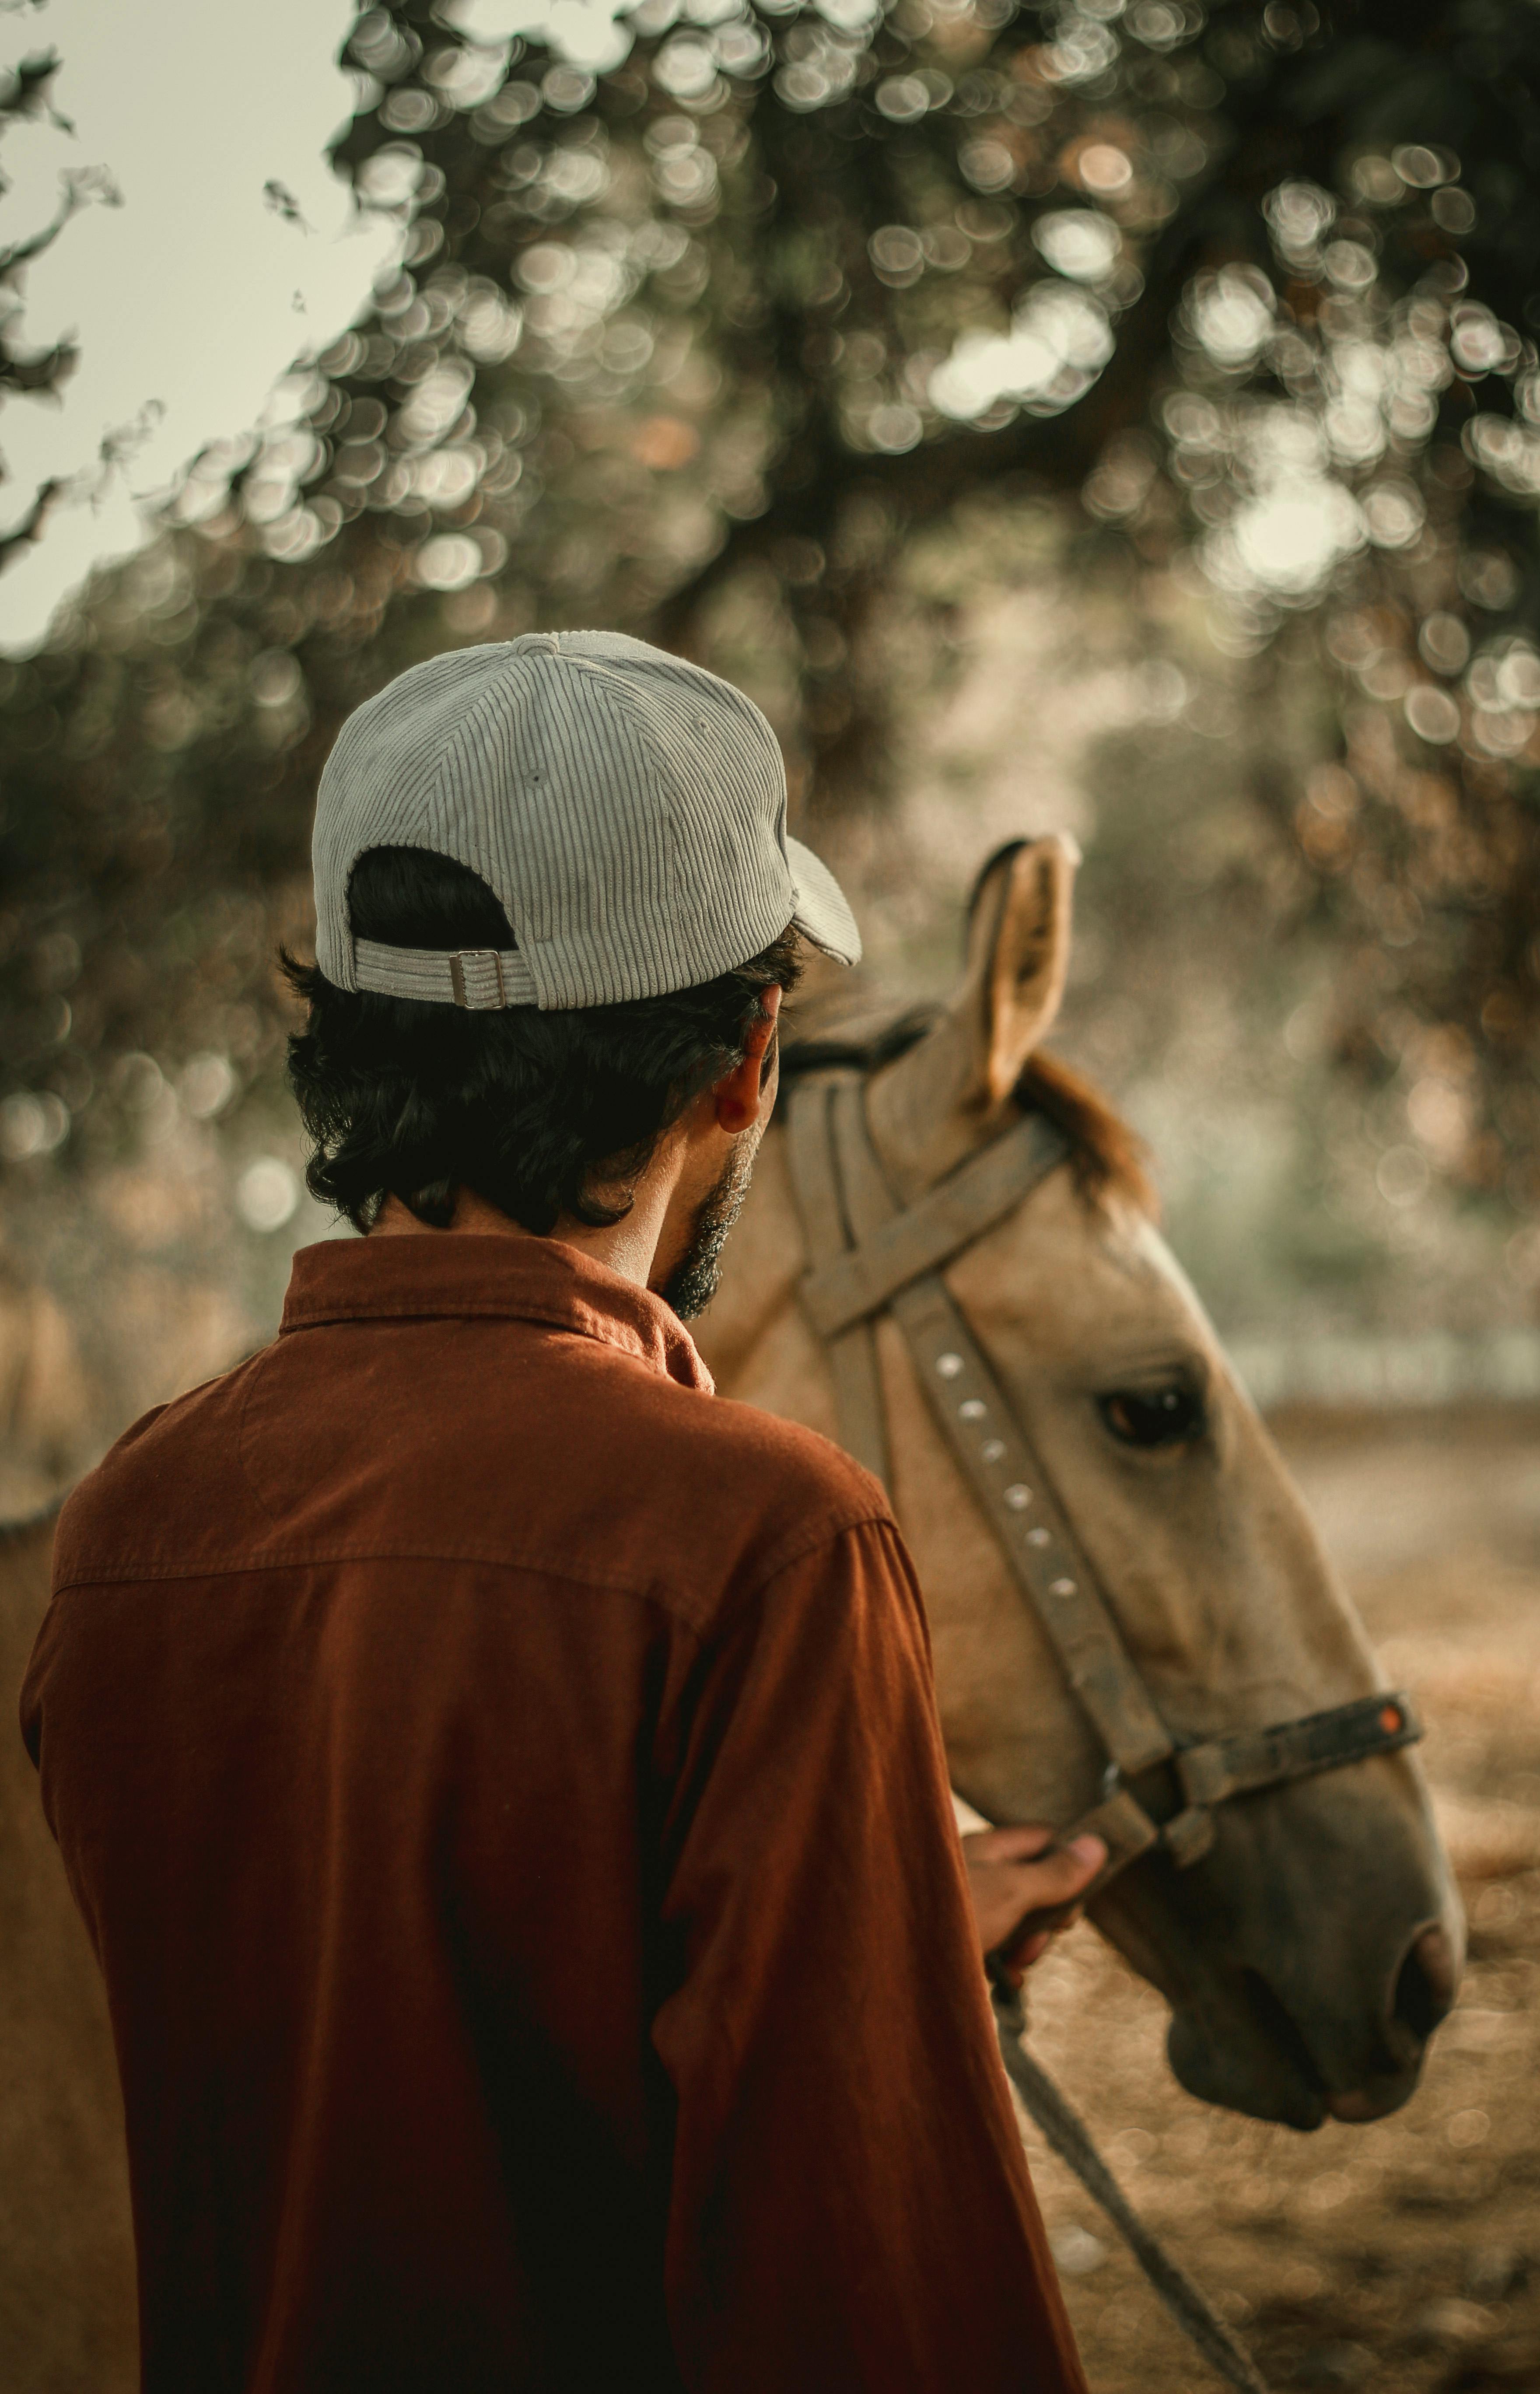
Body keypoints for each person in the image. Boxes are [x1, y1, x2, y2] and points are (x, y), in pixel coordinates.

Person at [24, 632, 1102, 2392]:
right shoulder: (763, 1545)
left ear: (343, 1042)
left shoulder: (130, 1529)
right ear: (749, 1059)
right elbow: (873, 2305)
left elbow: (380, 2057)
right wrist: (881, 2024)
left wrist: (871, 1934)